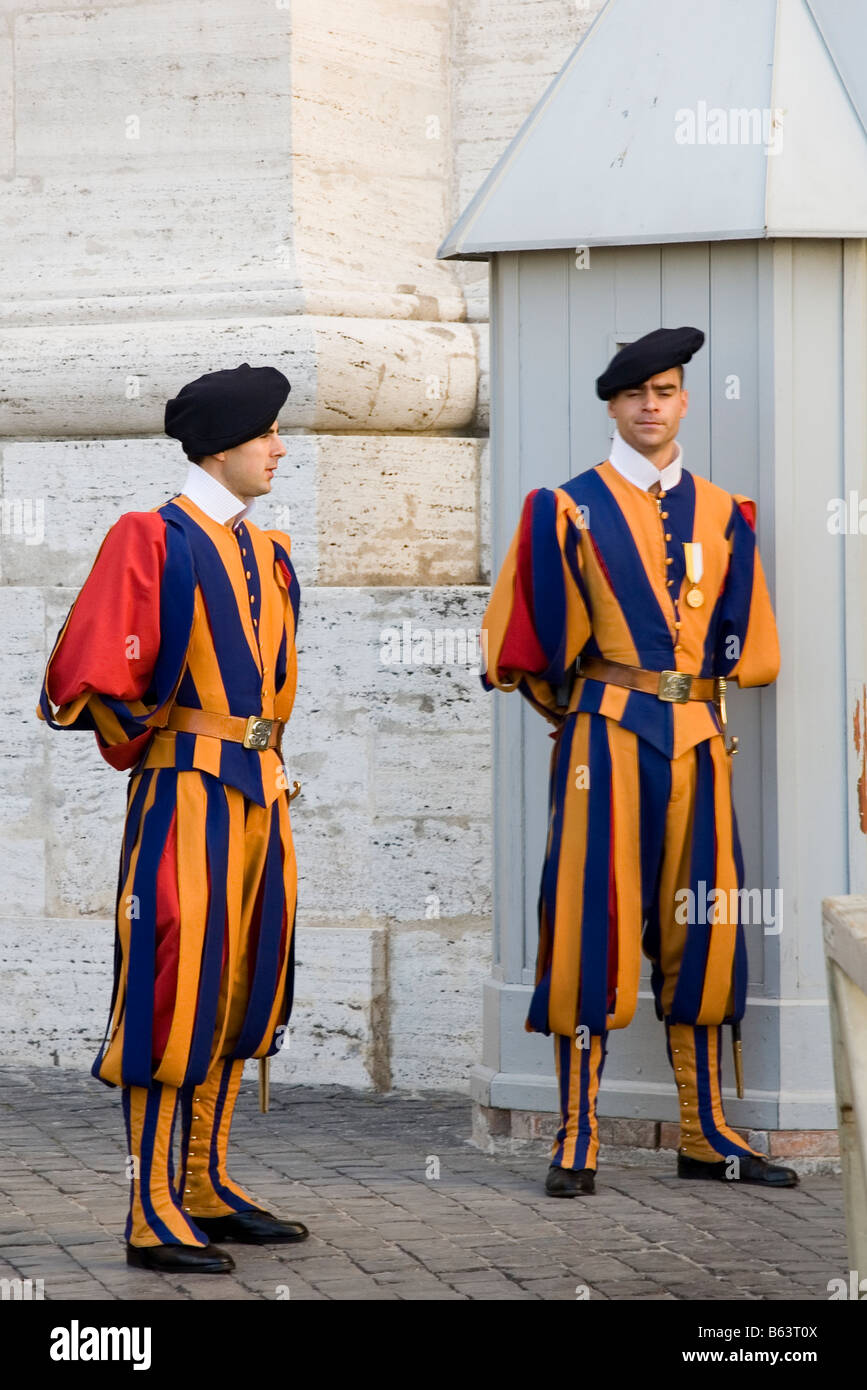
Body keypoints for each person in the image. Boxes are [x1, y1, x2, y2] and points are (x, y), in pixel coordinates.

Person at [481, 327, 798, 1196]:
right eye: (633, 395)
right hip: (604, 736)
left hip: (697, 737)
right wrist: (596, 708)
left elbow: (747, 646)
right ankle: (576, 1136)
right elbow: (529, 650)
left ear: (683, 400)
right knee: (590, 923)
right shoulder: (563, 507)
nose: (649, 407)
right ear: (612, 408)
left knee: (704, 928)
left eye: (662, 391)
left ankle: (705, 1131)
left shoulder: (724, 514)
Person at [37, 363, 310, 1271]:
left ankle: (202, 1181)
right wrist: (171, 743)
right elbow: (84, 682)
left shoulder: (267, 552)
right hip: (186, 796)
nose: (279, 448)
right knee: (173, 987)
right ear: (223, 444)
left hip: (258, 796)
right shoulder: (149, 537)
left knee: (241, 984)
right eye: (267, 433)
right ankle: (149, 1208)